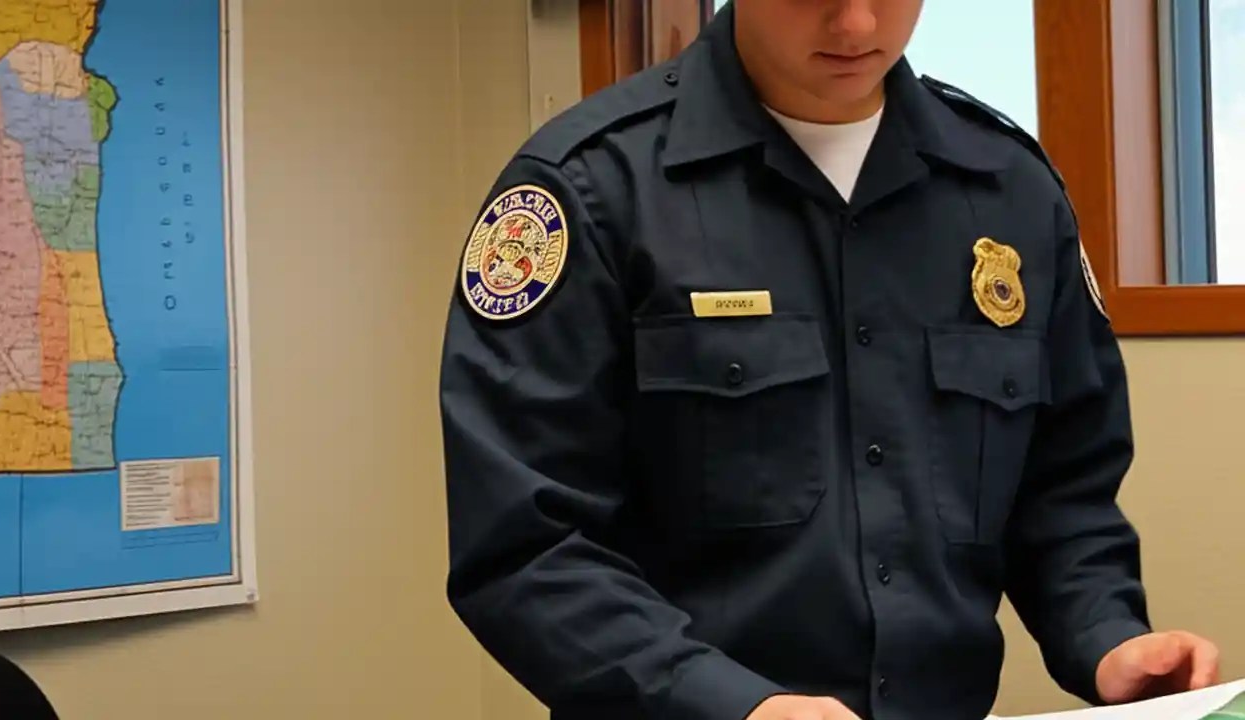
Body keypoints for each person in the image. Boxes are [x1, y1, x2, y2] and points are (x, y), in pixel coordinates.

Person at [438, 1, 1221, 718]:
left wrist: (1107, 638)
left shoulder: (1009, 189)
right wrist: (732, 704)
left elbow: (1062, 494)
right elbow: (528, 547)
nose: (855, 26)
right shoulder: (590, 189)